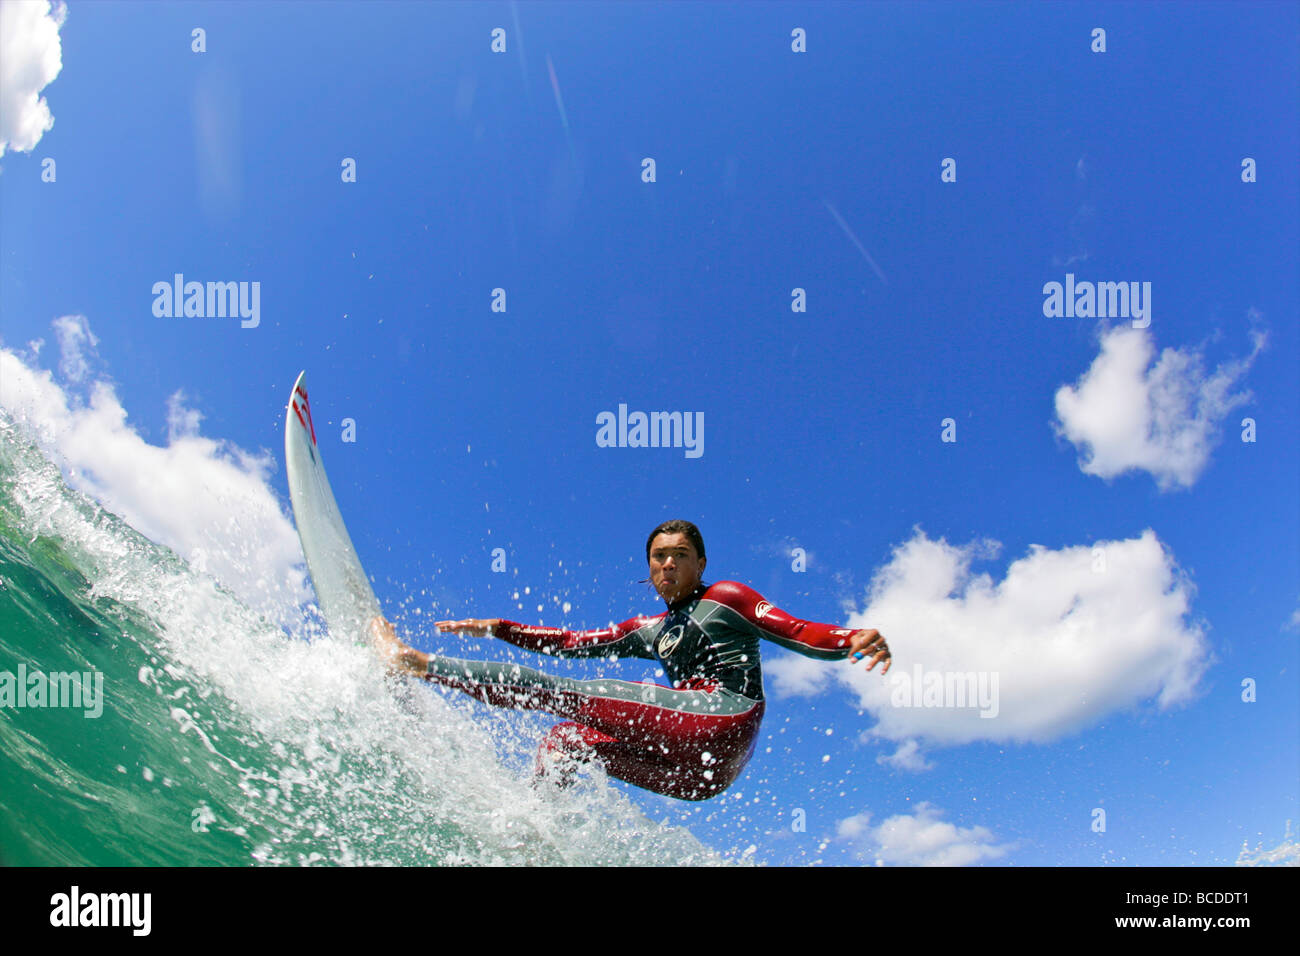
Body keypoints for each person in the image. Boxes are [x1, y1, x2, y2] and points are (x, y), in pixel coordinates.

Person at [369, 519, 890, 801]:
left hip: (723, 718)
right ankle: (533, 834)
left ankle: (414, 662)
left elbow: (795, 630)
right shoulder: (648, 630)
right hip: (700, 781)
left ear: (700, 563)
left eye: (679, 554)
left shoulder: (725, 598)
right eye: (659, 556)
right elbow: (572, 642)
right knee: (566, 741)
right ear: (649, 567)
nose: (667, 563)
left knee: (561, 692)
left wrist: (851, 638)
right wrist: (498, 628)